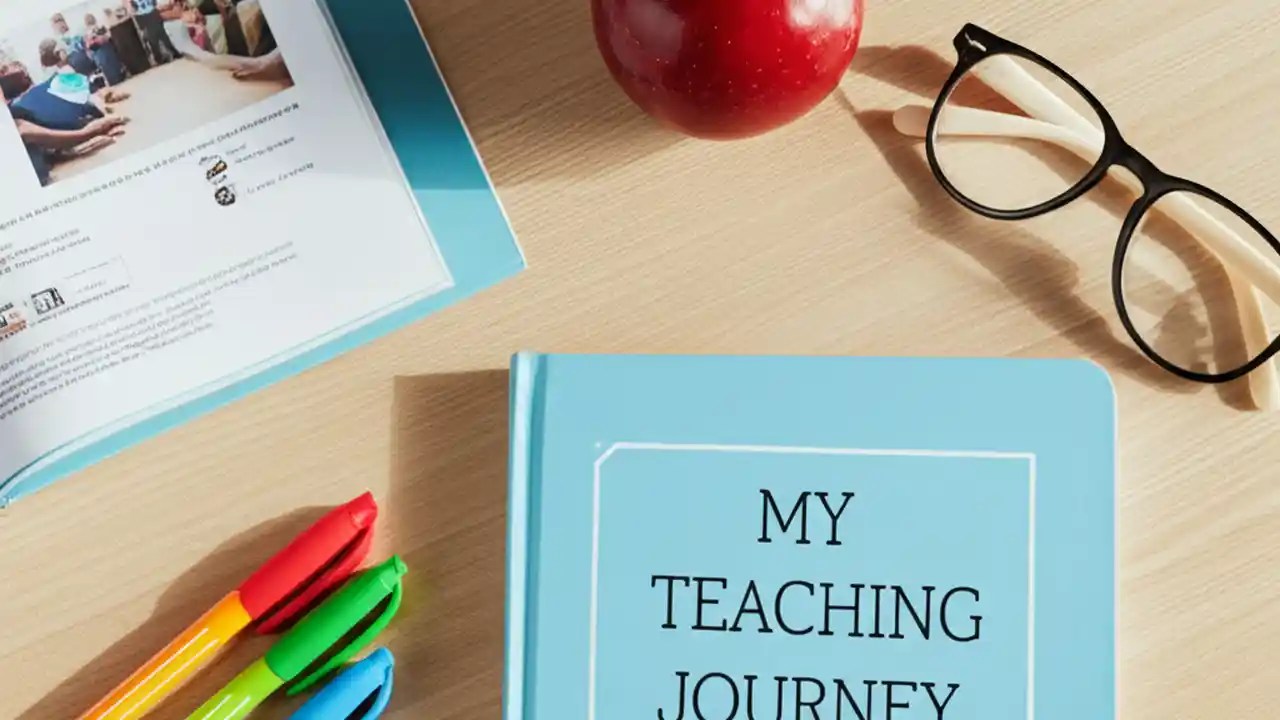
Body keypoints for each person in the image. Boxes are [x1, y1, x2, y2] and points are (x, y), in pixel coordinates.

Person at [130, 0, 181, 66]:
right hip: (144, 16)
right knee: (153, 39)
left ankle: (172, 53)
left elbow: (153, 3)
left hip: (150, 13)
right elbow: (134, 8)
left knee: (162, 35)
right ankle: (159, 58)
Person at [85, 13, 128, 85]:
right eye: (88, 19)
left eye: (91, 18)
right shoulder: (88, 34)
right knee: (111, 73)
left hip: (106, 53)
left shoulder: (99, 28)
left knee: (114, 70)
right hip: (102, 55)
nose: (90, 20)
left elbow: (108, 37)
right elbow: (90, 47)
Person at [50, 13, 97, 77]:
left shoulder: (77, 31)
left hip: (88, 62)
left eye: (60, 20)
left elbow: (89, 38)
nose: (60, 24)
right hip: (79, 69)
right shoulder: (58, 42)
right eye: (57, 22)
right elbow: (62, 60)